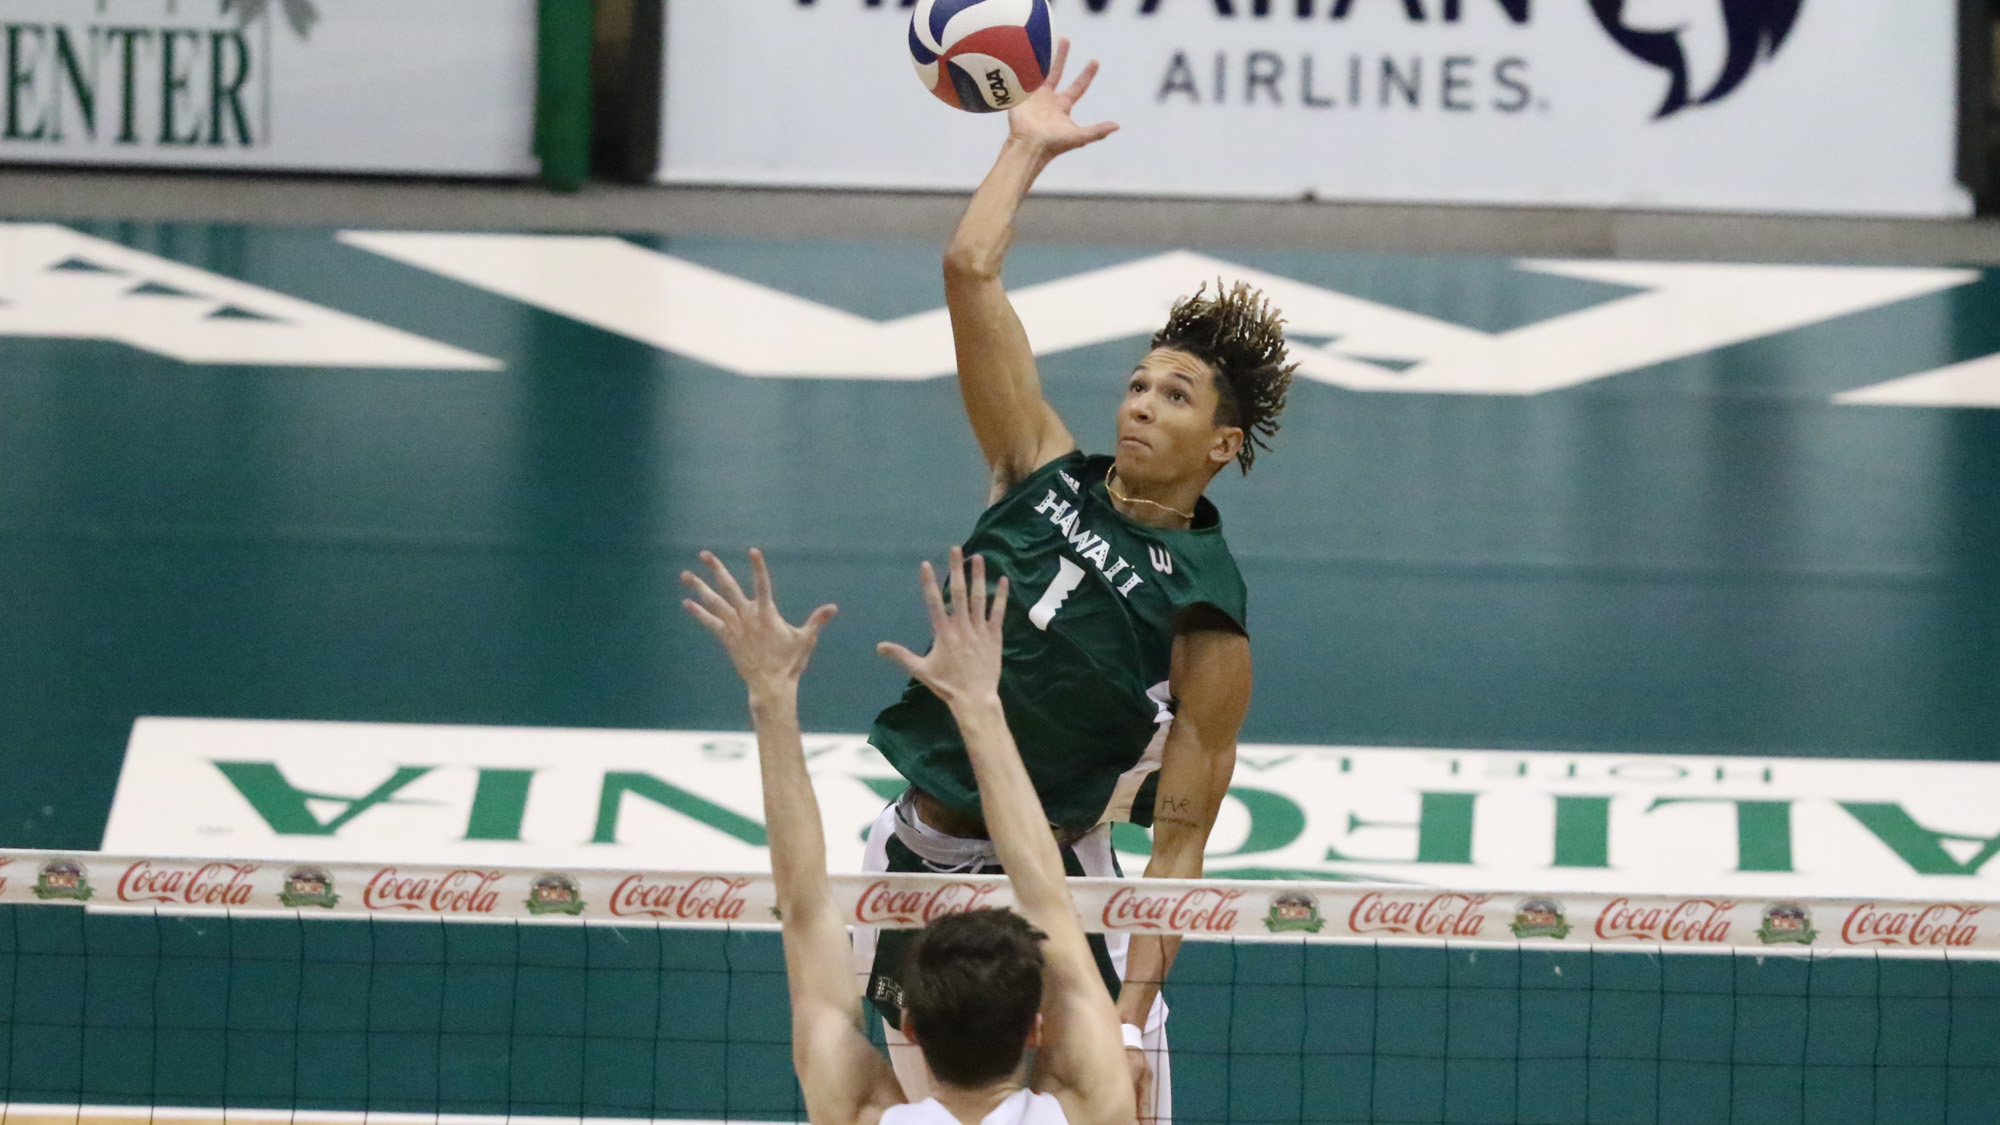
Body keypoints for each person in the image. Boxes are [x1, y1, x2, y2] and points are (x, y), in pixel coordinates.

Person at [858, 39, 1298, 1118]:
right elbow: (968, 271)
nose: (1141, 403)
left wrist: (1135, 1006)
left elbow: (1182, 835)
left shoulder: (1207, 610)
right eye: (1138, 382)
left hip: (1054, 895)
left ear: (1223, 444)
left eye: (1177, 396)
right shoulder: (1035, 466)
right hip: (911, 863)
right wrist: (1024, 149)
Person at [681, 547, 1134, 1125]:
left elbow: (804, 910)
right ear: (1036, 1028)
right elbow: (1048, 893)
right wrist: (978, 705)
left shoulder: (863, 1115)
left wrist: (771, 692)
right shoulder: (1093, 1108)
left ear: (911, 1029)